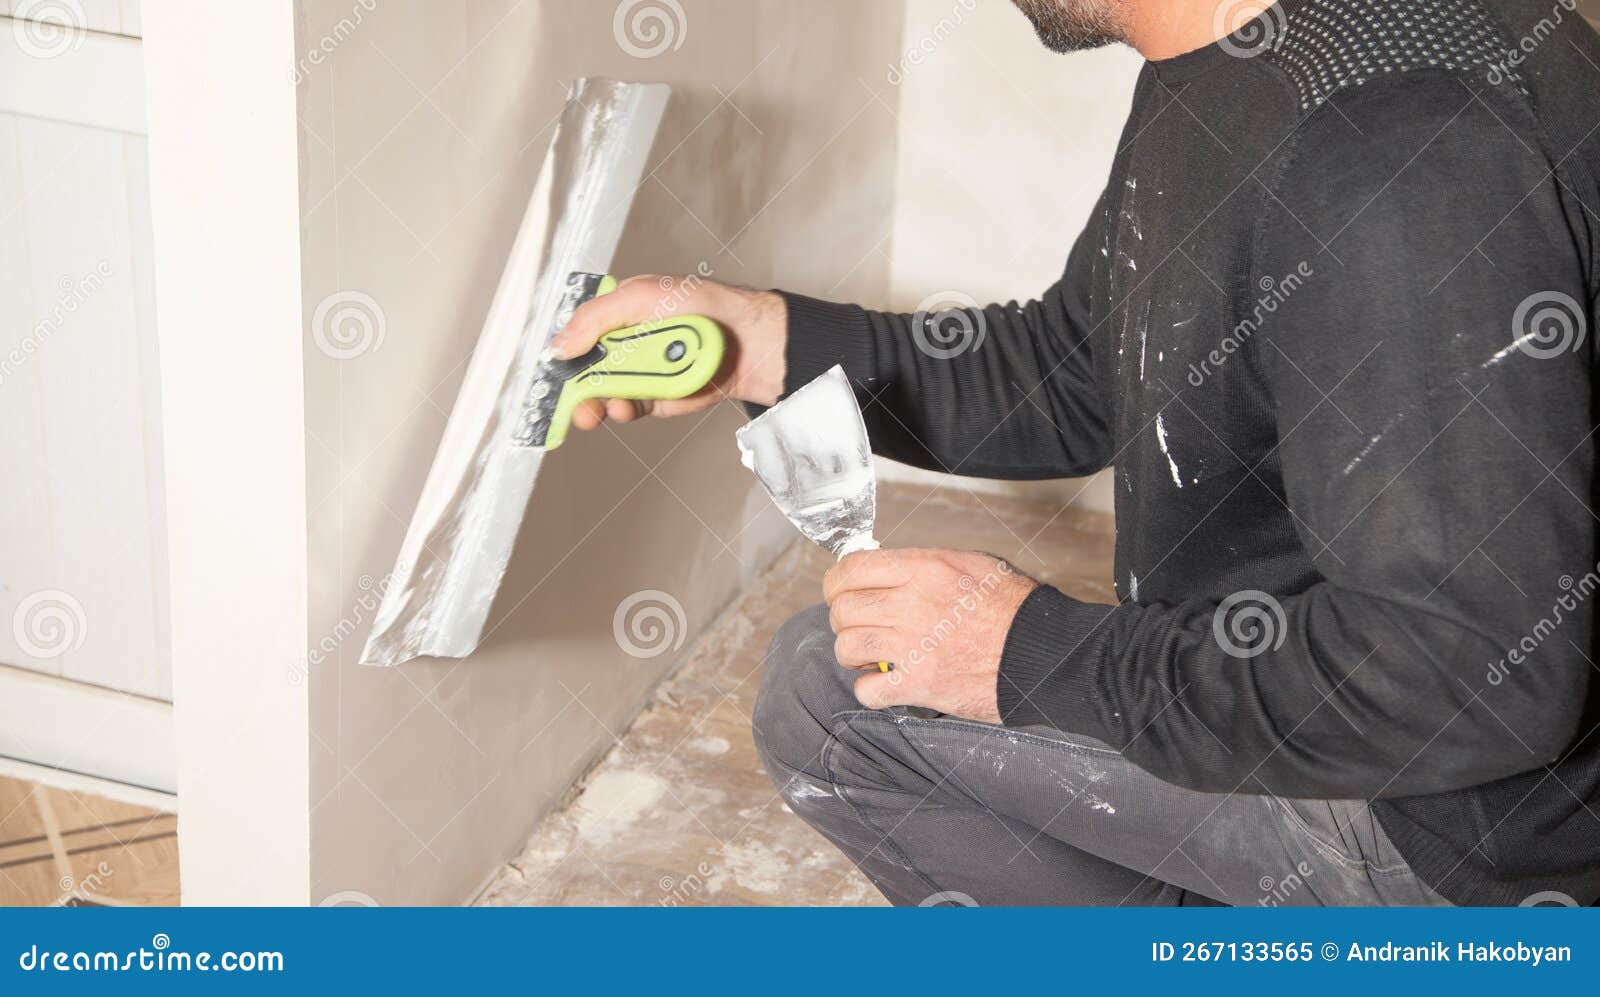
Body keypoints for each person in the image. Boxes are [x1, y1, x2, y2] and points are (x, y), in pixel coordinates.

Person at [553, 0, 1600, 907]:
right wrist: (753, 343)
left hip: (1466, 846)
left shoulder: (1393, 151)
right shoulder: (1244, 53)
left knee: (835, 696)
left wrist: (1028, 655)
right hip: (1379, 721)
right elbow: (1077, 371)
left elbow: (1470, 677)